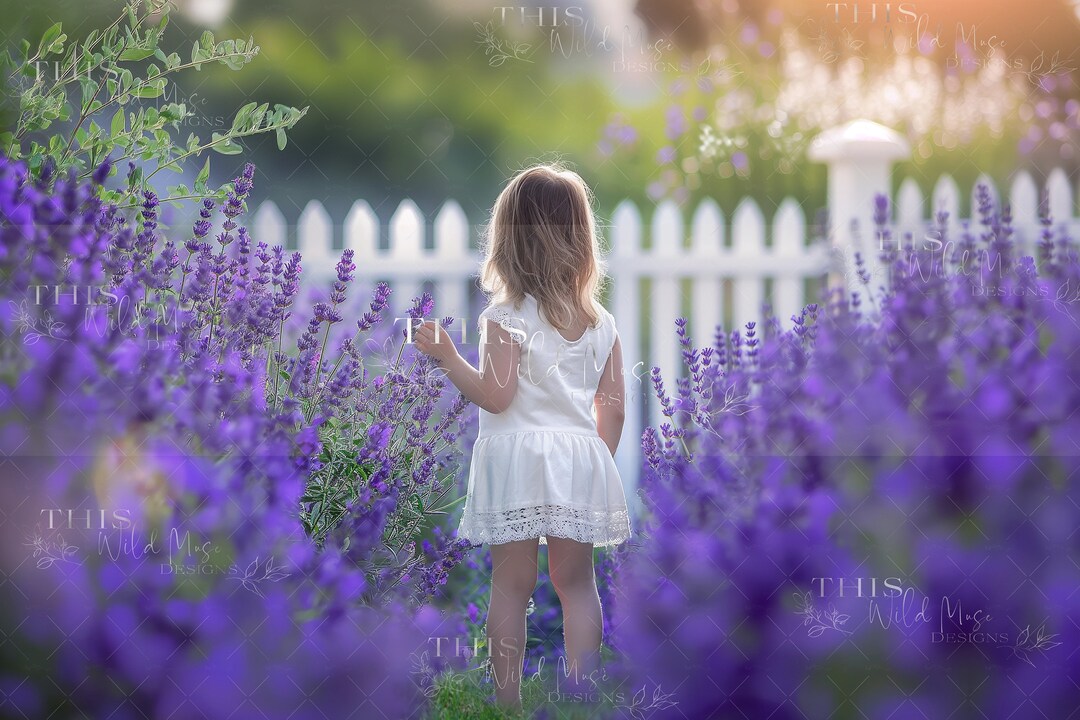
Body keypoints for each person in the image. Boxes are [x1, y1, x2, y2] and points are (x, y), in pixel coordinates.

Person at [414, 163, 632, 711]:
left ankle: (507, 702)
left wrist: (448, 357)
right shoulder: (600, 322)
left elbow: (496, 396)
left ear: (508, 241)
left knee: (511, 585)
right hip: (577, 461)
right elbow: (614, 410)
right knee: (576, 584)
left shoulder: (506, 316)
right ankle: (581, 696)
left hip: (518, 462)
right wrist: (592, 462)